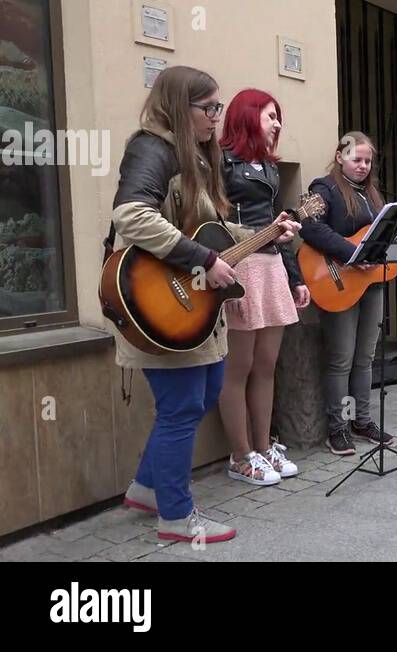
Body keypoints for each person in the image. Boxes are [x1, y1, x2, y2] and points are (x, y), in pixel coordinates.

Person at [115, 66, 299, 542]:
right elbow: (132, 215)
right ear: (181, 107)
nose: (216, 116)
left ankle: (147, 487)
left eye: (219, 108)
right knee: (181, 406)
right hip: (158, 302)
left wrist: (266, 233)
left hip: (192, 302)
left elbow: (212, 229)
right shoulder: (151, 148)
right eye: (209, 108)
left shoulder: (197, 156)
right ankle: (177, 516)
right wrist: (204, 259)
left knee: (207, 386)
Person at [300, 132, 397, 456]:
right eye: (356, 159)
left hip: (371, 284)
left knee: (365, 358)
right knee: (341, 359)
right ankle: (338, 428)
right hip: (336, 281)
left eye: (367, 161)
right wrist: (353, 253)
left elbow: (388, 243)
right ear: (340, 157)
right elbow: (310, 227)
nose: (363, 166)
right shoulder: (324, 189)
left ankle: (361, 420)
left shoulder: (373, 196)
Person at [217, 89, 310, 486]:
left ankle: (263, 444)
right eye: (271, 115)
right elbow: (208, 219)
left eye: (279, 117)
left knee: (267, 365)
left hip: (272, 264)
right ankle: (240, 456)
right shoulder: (220, 161)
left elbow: (277, 226)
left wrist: (296, 278)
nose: (277, 123)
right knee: (237, 367)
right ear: (248, 114)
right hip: (238, 266)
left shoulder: (270, 167)